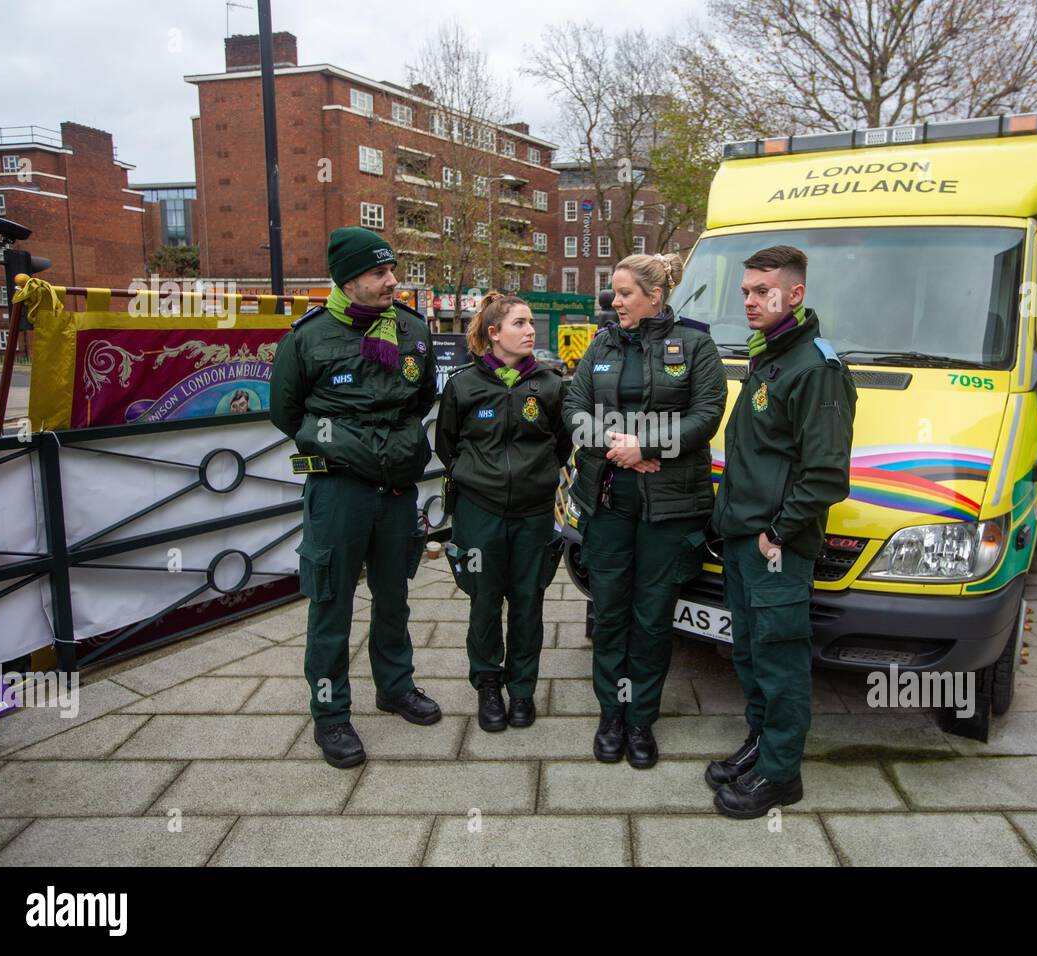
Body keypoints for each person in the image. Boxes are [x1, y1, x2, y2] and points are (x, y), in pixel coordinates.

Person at [269, 226, 441, 769]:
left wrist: (389, 448)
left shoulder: (412, 329)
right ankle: (331, 715)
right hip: (338, 492)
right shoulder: (308, 338)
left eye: (391, 270)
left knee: (394, 598)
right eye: (378, 273)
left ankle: (395, 687)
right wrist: (350, 446)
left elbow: (424, 395)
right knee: (331, 605)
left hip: (395, 492)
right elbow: (286, 414)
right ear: (347, 280)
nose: (392, 280)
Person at [707, 244, 857, 818]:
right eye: (744, 290)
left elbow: (824, 475)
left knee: (779, 658)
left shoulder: (816, 369)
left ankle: (780, 773)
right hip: (744, 538)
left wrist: (778, 532)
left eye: (761, 290)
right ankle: (759, 745)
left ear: (794, 293)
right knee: (747, 651)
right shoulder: (770, 355)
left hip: (776, 546)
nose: (748, 300)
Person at [563, 253, 727, 768]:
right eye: (613, 293)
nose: (614, 302)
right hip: (609, 499)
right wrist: (618, 446)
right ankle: (611, 714)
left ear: (655, 296)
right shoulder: (602, 344)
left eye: (624, 293)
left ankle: (641, 721)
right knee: (609, 611)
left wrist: (649, 447)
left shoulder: (697, 345)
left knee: (652, 617)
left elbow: (707, 415)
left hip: (669, 508)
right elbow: (572, 407)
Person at [435, 291, 572, 732]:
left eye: (531, 322)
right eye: (519, 323)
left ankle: (523, 690)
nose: (530, 330)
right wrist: (479, 478)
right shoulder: (463, 384)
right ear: (494, 333)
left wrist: (538, 477)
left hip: (533, 514)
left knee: (529, 603)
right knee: (485, 600)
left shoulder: (551, 385)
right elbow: (447, 445)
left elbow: (562, 442)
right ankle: (489, 685)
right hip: (481, 512)